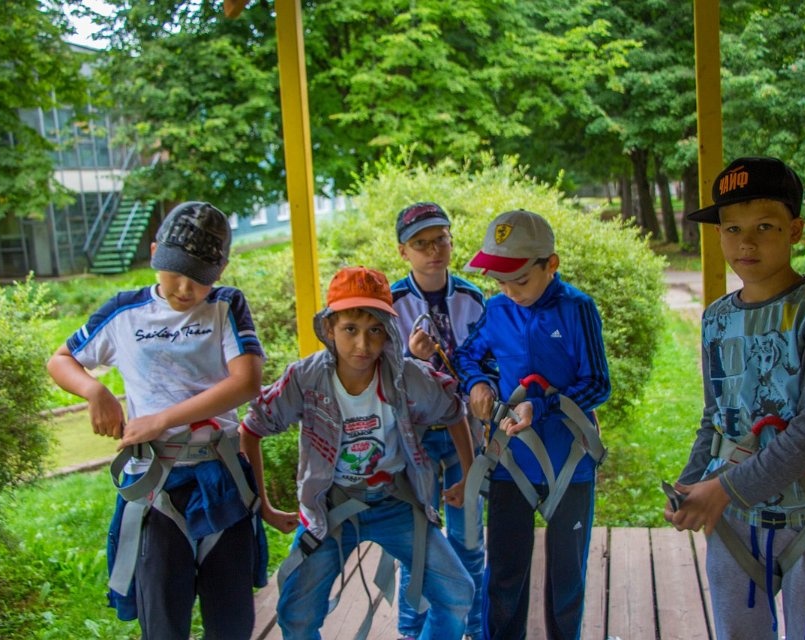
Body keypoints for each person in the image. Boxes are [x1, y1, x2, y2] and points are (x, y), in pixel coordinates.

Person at [46, 201, 298, 640]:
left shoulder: (225, 307)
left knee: (232, 620)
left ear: (219, 271)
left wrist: (160, 420)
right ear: (154, 251)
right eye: (175, 271)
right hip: (156, 485)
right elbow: (62, 359)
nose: (185, 287)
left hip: (221, 480)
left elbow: (246, 382)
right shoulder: (125, 312)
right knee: (162, 619)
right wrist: (94, 389)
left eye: (199, 277)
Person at [666, 156, 805, 639]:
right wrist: (691, 481)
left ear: (795, 230)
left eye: (764, 226)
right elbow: (714, 417)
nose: (746, 241)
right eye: (731, 227)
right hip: (734, 526)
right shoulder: (717, 318)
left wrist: (721, 489)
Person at [239, 266, 476, 640]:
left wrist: (468, 474)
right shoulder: (305, 379)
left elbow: (453, 411)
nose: (363, 346)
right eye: (350, 329)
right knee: (296, 614)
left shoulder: (407, 377)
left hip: (395, 501)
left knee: (458, 593)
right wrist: (263, 505)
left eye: (375, 331)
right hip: (328, 506)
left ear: (387, 334)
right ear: (329, 328)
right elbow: (251, 428)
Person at [454, 209, 611, 640]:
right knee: (504, 575)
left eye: (520, 280)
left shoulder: (577, 310)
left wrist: (540, 407)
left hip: (570, 463)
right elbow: (468, 356)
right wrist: (479, 383)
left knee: (566, 579)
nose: (509, 290)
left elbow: (598, 383)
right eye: (500, 281)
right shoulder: (499, 309)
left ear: (551, 264)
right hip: (511, 463)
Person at [390, 202, 487, 640]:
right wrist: (412, 358)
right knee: (417, 541)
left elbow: (486, 362)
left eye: (441, 239)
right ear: (402, 251)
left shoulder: (472, 297)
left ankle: (474, 627)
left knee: (469, 540)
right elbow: (379, 376)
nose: (433, 250)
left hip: (465, 432)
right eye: (420, 243)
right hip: (414, 439)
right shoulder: (388, 305)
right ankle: (413, 631)